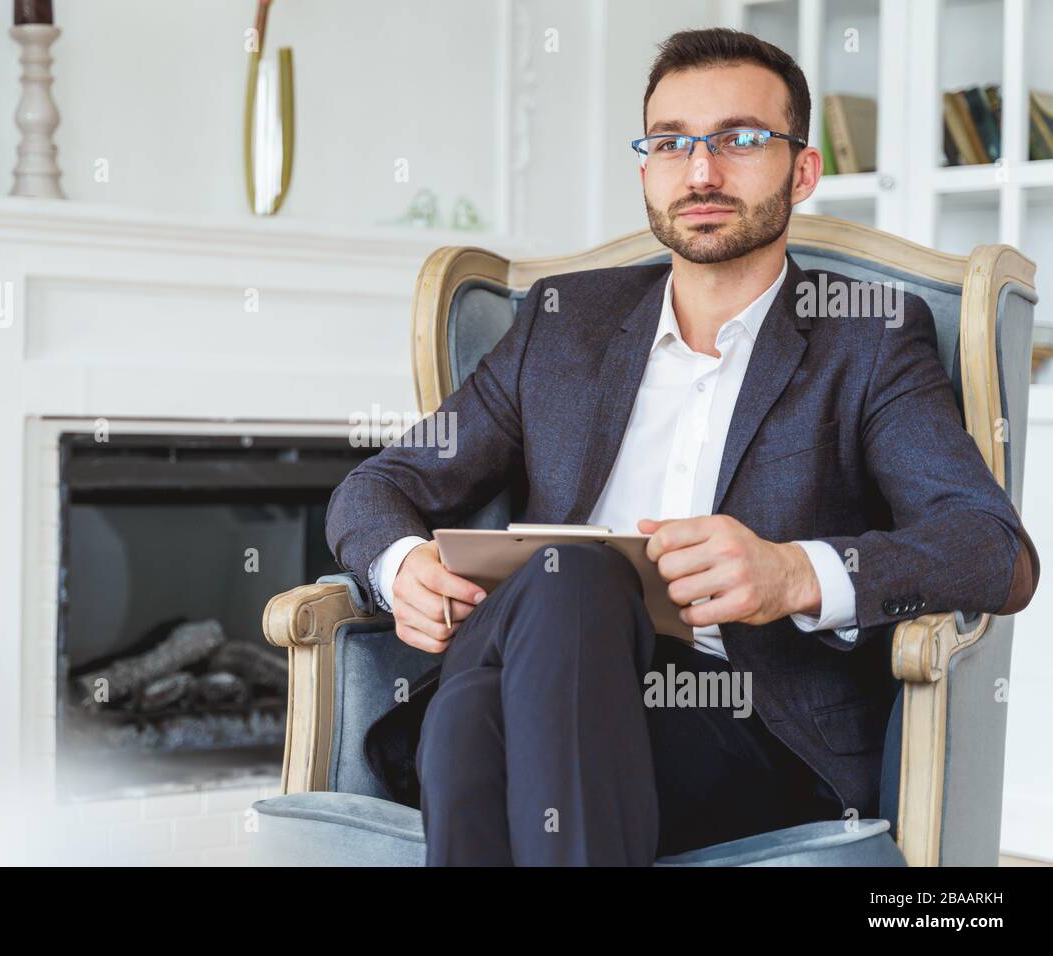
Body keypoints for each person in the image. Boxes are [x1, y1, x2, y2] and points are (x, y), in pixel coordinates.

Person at [324, 27, 1039, 865]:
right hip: (535, 671)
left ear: (802, 170)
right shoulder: (563, 324)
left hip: (737, 721)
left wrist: (795, 572)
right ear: (646, 171)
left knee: (470, 718)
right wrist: (400, 565)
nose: (701, 172)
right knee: (569, 585)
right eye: (672, 144)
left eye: (740, 140)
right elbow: (381, 482)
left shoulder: (868, 339)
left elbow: (991, 550)